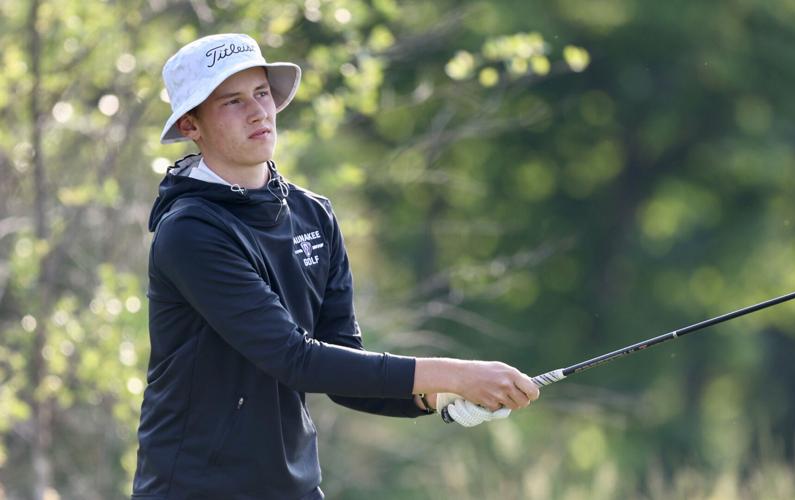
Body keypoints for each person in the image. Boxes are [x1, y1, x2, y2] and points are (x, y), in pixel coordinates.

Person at [132, 33, 539, 499]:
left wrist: (434, 397)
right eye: (231, 102)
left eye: (262, 93)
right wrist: (457, 373)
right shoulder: (190, 233)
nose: (257, 111)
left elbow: (341, 364)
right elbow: (295, 359)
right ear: (190, 125)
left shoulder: (312, 214)